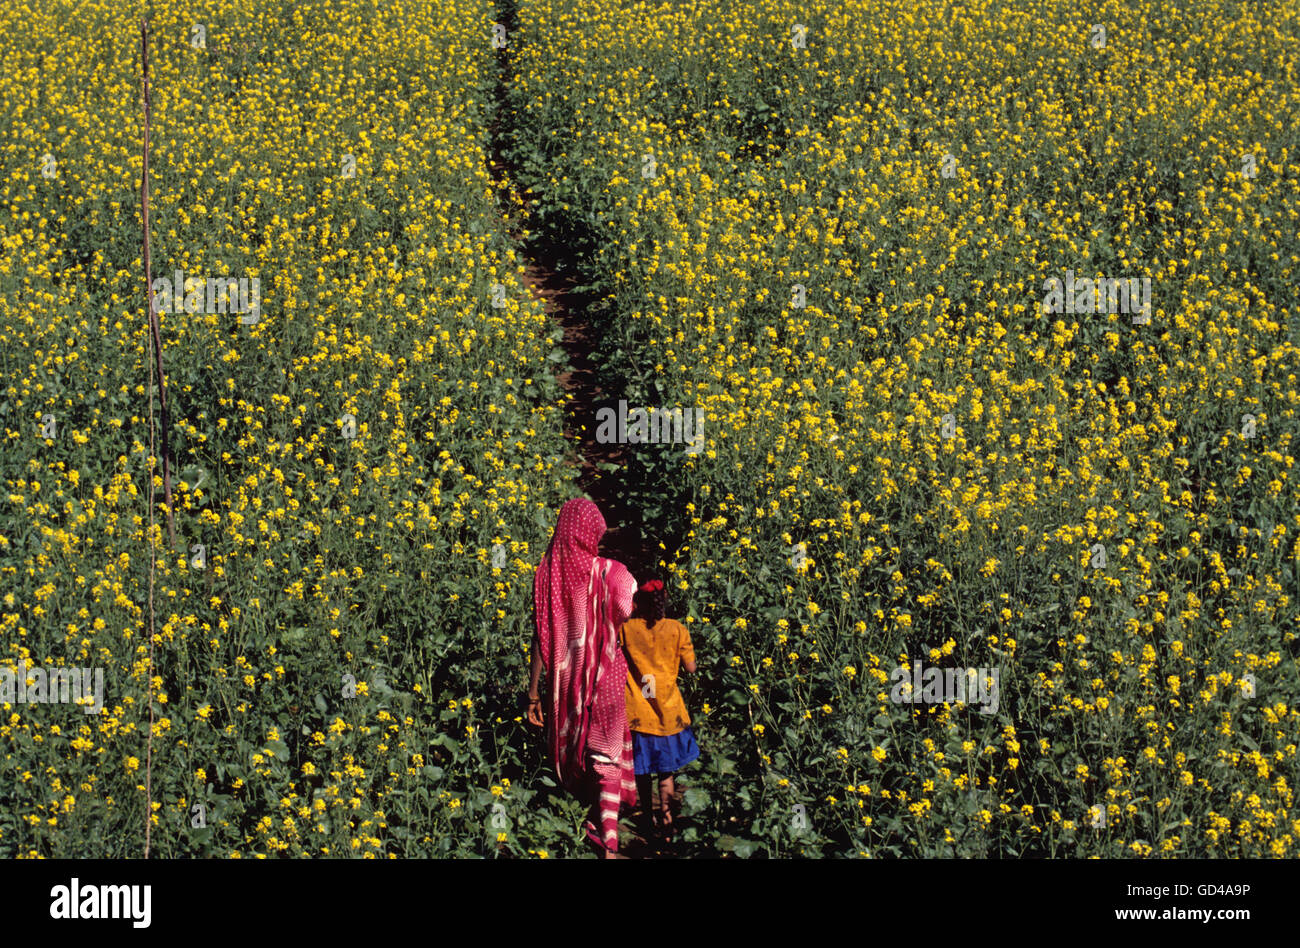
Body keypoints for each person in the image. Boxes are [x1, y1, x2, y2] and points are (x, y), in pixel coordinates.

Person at [527, 498, 638, 857]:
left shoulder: (546, 576)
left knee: (576, 750)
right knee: (605, 752)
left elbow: (540, 638)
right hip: (606, 675)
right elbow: (626, 609)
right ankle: (609, 841)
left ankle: (584, 825)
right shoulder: (613, 572)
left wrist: (533, 695)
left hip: (565, 683)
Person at [620, 578, 700, 842]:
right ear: (664, 600)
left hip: (637, 713)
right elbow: (690, 668)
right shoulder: (677, 629)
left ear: (636, 602)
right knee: (666, 773)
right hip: (667, 713)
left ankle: (646, 819)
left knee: (642, 772)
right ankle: (667, 820)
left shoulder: (626, 628)